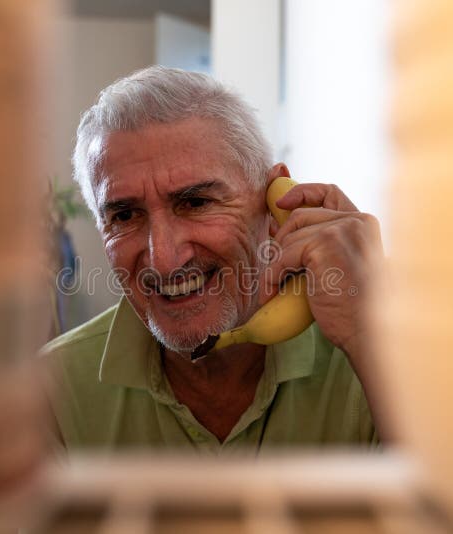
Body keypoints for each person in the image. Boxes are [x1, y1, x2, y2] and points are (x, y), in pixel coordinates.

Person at [41, 66, 389, 452]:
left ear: (277, 201)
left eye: (195, 202)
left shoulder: (371, 357)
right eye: (124, 215)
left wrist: (370, 339)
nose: (165, 260)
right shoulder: (51, 391)